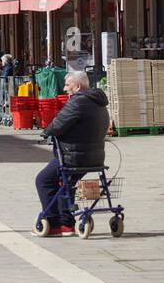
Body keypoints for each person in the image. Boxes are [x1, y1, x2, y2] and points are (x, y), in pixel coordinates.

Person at [36, 71, 110, 236]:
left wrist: (46, 132)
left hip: (74, 156)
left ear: (77, 86)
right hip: (94, 156)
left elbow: (58, 124)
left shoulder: (78, 101)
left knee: (43, 180)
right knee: (65, 183)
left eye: (67, 85)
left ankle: (55, 223)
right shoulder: (99, 102)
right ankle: (66, 224)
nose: (64, 89)